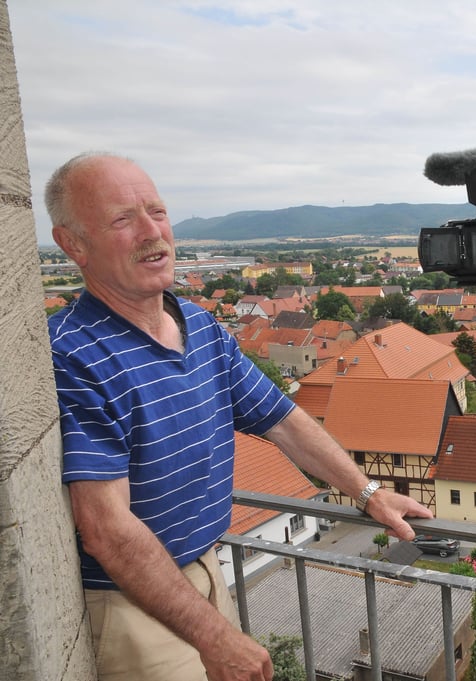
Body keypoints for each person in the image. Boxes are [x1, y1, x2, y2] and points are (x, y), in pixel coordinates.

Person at [46, 152, 433, 681]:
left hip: (205, 573)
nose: (150, 232)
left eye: (156, 212)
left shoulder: (200, 327)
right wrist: (217, 637)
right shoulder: (73, 354)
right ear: (73, 244)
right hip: (132, 604)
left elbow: (284, 420)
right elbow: (107, 530)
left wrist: (367, 493)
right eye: (122, 219)